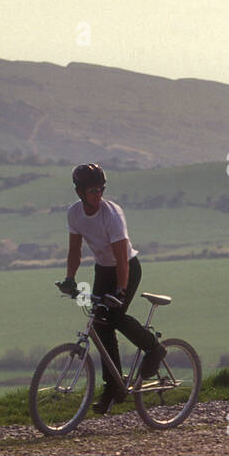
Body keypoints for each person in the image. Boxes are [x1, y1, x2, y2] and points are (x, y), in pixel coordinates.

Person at [58, 163, 165, 414]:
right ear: (79, 192)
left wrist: (121, 290)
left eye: (101, 189)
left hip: (126, 267)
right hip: (103, 269)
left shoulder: (112, 214)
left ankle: (154, 349)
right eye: (93, 190)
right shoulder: (74, 214)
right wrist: (70, 278)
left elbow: (121, 256)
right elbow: (75, 249)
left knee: (114, 316)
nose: (98, 194)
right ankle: (113, 386)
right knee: (99, 324)